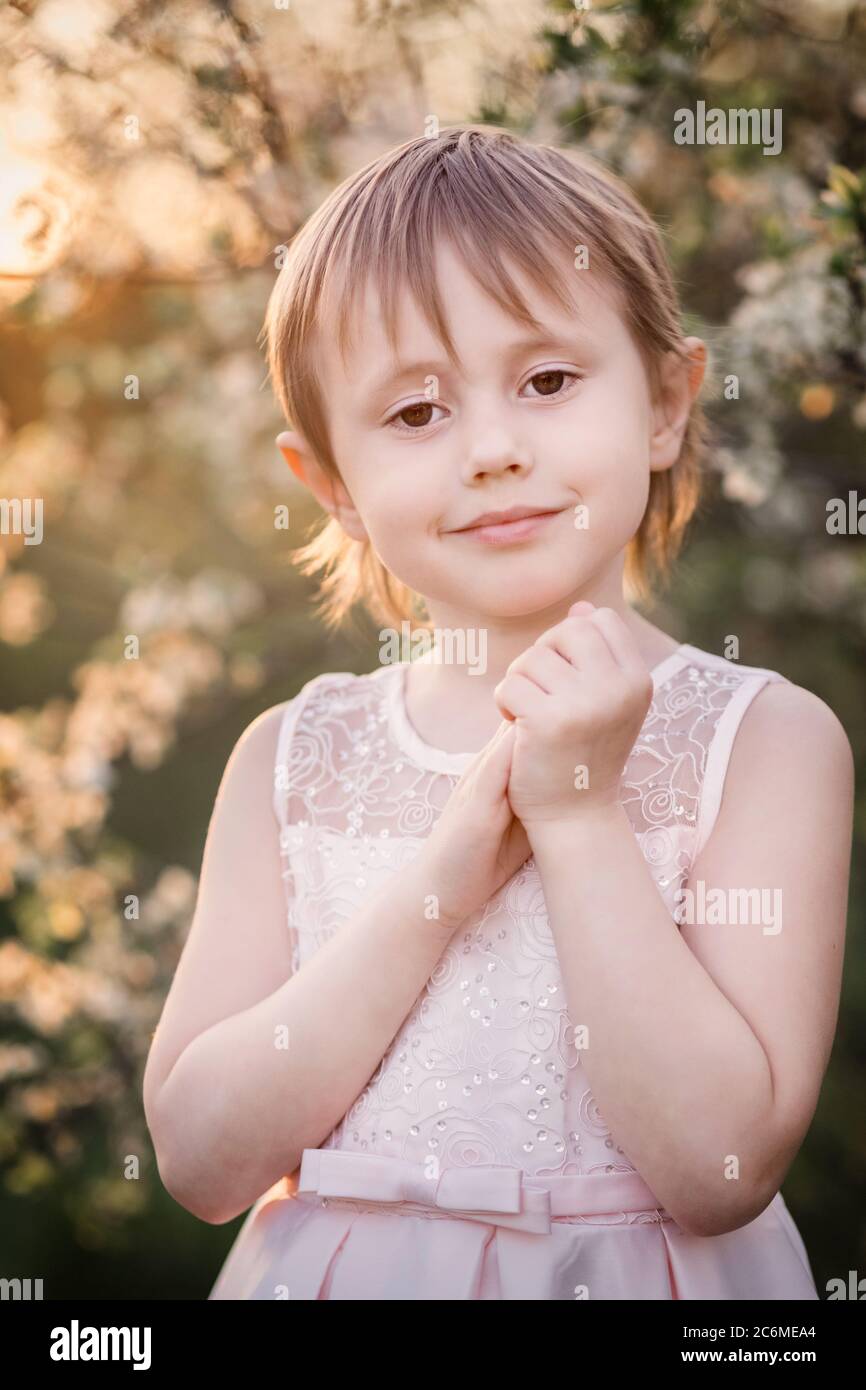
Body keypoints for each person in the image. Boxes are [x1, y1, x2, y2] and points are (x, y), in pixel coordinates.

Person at [143, 126, 853, 1300]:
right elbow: (203, 1158)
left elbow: (716, 1166)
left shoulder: (764, 742)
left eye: (546, 381)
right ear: (330, 486)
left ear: (666, 402)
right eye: (414, 414)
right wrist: (443, 881)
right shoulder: (295, 758)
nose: (489, 450)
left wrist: (576, 822)